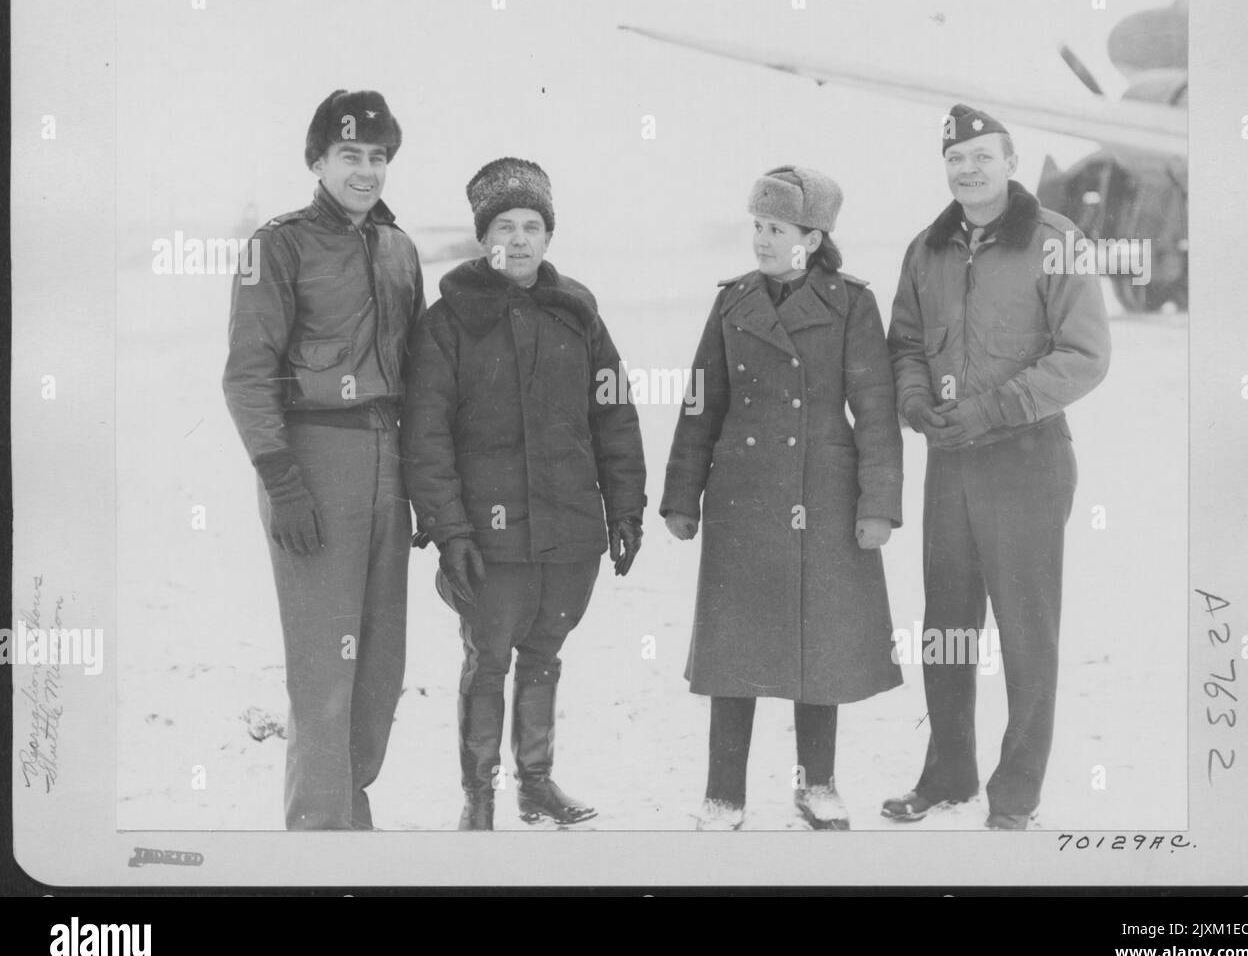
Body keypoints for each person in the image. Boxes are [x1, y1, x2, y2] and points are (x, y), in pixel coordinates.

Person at [401, 157, 647, 831]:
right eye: (504, 225)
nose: (518, 238)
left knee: (545, 653)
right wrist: (450, 531)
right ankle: (478, 797)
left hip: (569, 531)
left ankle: (535, 784)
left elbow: (614, 414)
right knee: (488, 660)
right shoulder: (447, 323)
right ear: (484, 236)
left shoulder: (578, 314)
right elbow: (426, 439)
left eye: (531, 224)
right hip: (489, 537)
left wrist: (626, 506)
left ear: (548, 235)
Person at [883, 104, 1111, 831]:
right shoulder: (927, 248)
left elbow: (1085, 355)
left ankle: (1014, 797)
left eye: (982, 155)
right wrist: (916, 400)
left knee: (1025, 633)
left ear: (1011, 160)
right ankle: (947, 773)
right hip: (949, 464)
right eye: (956, 159)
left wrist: (997, 408)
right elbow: (905, 343)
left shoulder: (1057, 241)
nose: (968, 169)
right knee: (947, 628)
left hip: (1027, 461)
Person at [661, 166, 903, 831]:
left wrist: (878, 503)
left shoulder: (851, 303)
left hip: (822, 495)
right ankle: (722, 792)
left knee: (816, 647)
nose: (762, 240)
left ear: (814, 236)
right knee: (733, 648)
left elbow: (876, 411)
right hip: (742, 498)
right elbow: (699, 405)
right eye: (758, 226)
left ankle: (817, 783)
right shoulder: (733, 301)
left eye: (777, 228)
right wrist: (682, 495)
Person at [223, 89, 425, 830]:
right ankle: (316, 835)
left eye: (377, 156)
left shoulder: (400, 249)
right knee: (322, 670)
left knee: (380, 666)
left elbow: (421, 374)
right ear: (317, 160)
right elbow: (246, 374)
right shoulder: (279, 246)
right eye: (350, 155)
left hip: (388, 459)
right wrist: (282, 479)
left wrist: (426, 483)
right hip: (312, 460)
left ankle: (350, 809)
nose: (366, 170)